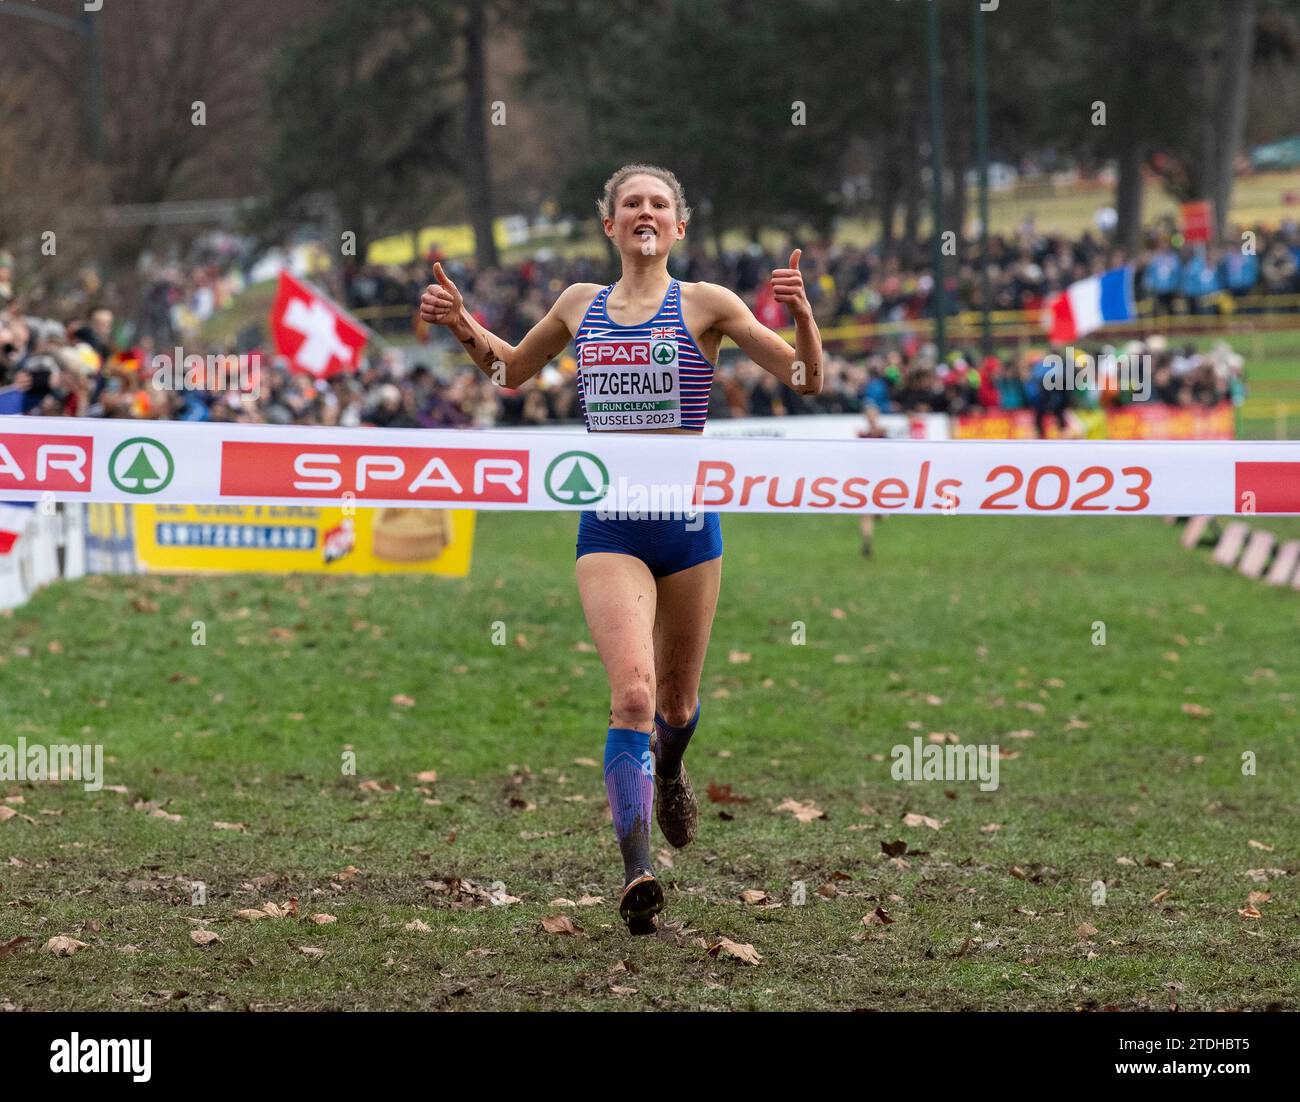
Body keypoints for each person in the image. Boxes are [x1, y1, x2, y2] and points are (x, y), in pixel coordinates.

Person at [419, 163, 823, 933]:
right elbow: (510, 372)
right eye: (630, 202)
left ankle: (670, 767)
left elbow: (805, 378)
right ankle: (638, 872)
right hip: (610, 525)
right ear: (610, 226)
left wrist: (801, 314)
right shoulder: (579, 304)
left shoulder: (709, 304)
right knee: (633, 695)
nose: (645, 211)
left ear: (678, 227)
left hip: (688, 528)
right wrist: (463, 325)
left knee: (675, 704)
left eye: (659, 203)